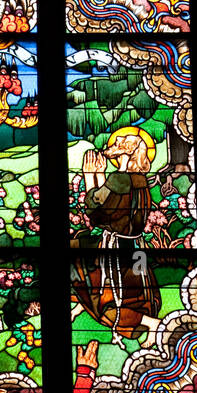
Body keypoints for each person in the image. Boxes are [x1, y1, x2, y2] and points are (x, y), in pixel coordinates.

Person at [73, 126, 161, 344]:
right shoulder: (138, 179)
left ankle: (151, 324)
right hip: (133, 247)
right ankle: (78, 304)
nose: (110, 150)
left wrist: (91, 176)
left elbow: (97, 213)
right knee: (135, 291)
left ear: (125, 153)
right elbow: (109, 207)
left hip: (118, 248)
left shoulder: (120, 180)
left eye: (117, 147)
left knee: (111, 300)